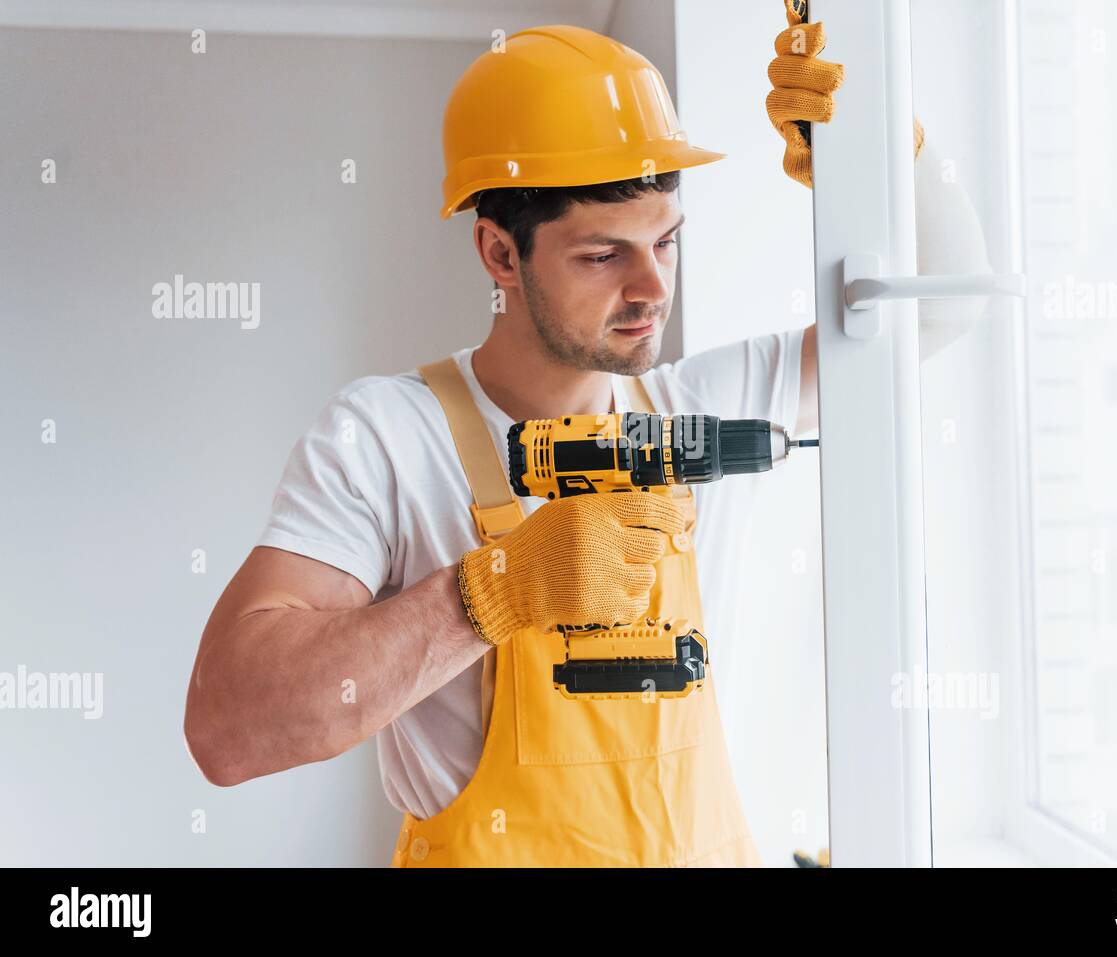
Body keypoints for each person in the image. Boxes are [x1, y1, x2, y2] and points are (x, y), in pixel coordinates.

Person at [183, 10, 990, 867]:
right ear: (500, 253)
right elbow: (229, 729)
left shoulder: (700, 415)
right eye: (604, 256)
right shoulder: (384, 439)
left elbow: (942, 306)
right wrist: (497, 590)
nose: (652, 288)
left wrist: (887, 145)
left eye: (667, 243)